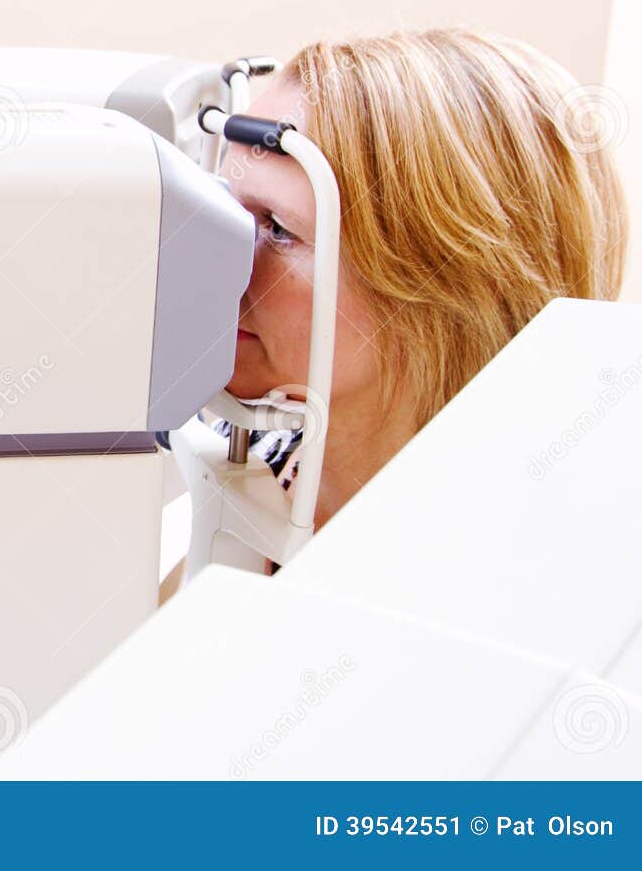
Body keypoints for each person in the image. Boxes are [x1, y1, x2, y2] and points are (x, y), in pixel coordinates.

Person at [219, 28, 629, 528]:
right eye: (220, 211)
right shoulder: (218, 465)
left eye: (278, 229)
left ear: (454, 283)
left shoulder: (554, 559)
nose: (213, 260)